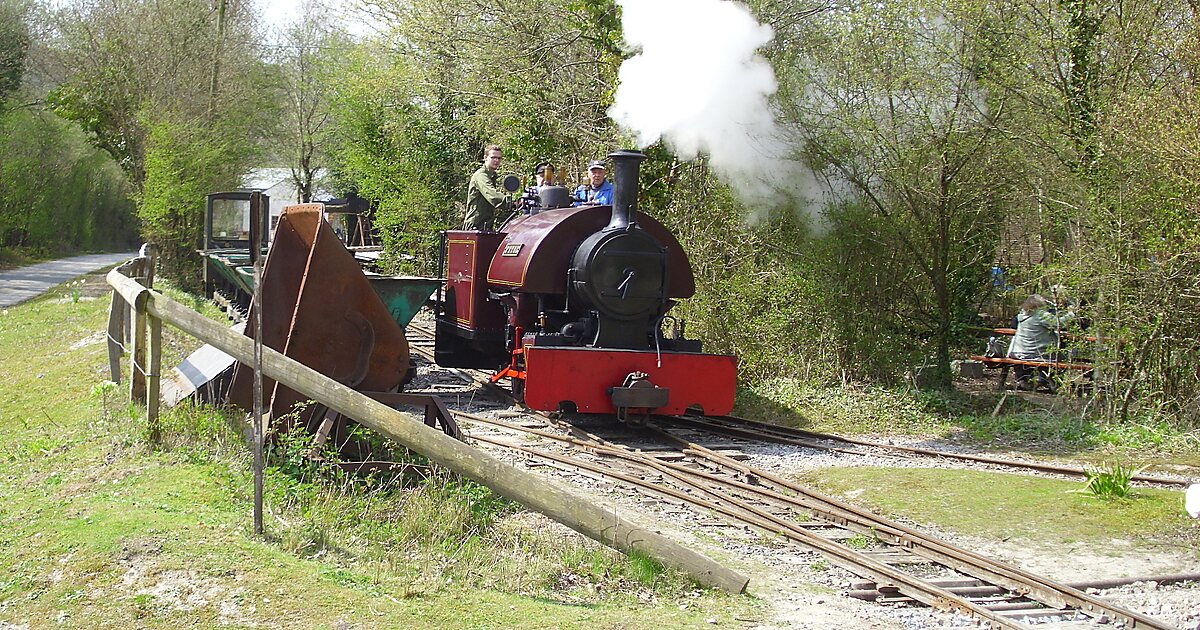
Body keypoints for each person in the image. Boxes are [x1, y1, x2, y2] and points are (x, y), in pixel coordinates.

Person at [1006, 294, 1074, 391]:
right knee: (1061, 355)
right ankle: (1052, 381)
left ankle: (1024, 380)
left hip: (1019, 352)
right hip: (1037, 353)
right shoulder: (1041, 315)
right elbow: (1059, 323)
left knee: (1042, 355)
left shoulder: (1022, 315)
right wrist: (1071, 313)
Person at [463, 145, 510, 231]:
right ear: (485, 158)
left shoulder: (491, 176)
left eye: (499, 158)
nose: (496, 160)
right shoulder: (481, 175)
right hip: (475, 226)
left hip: (485, 226)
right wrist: (512, 202)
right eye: (493, 157)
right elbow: (493, 196)